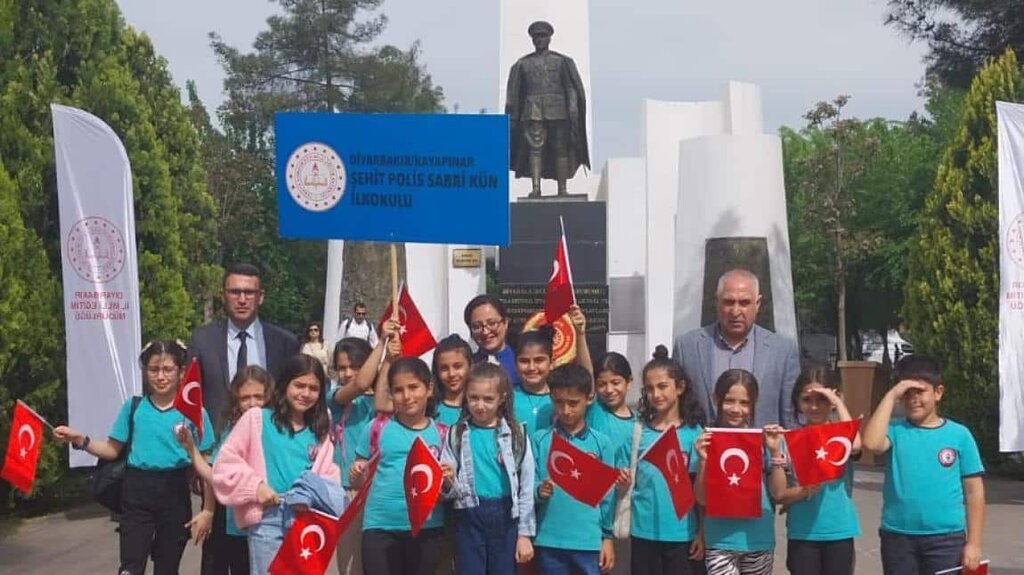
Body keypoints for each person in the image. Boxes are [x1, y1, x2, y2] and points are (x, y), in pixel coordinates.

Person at [53, 340, 215, 575]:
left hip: (175, 495)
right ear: (145, 371)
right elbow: (111, 449)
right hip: (137, 494)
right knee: (130, 567)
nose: (160, 377)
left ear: (181, 372)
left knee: (167, 568)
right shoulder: (134, 407)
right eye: (153, 369)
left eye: (168, 369)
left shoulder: (195, 412)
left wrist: (208, 510)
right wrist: (81, 440)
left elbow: (207, 467)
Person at [212, 354, 340, 574]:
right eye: (299, 385)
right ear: (284, 384)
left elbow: (329, 476)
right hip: (267, 518)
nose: (305, 393)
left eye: (313, 388)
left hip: (304, 520)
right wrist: (255, 486)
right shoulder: (257, 419)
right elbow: (225, 463)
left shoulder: (320, 429)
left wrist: (310, 496)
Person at [862, 355, 985, 575]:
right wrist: (891, 396)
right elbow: (871, 443)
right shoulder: (895, 430)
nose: (913, 400)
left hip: (946, 539)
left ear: (938, 392)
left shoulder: (959, 435)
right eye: (906, 394)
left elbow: (974, 492)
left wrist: (973, 543)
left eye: (919, 392)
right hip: (898, 537)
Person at [350, 357, 455, 575]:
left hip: (427, 528)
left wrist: (447, 481)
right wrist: (357, 473)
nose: (407, 396)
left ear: (429, 388)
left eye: (414, 387)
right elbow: (358, 480)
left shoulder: (443, 434)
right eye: (398, 390)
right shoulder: (377, 427)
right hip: (380, 527)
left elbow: (449, 491)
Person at [672, 269, 800, 429]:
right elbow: (676, 410)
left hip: (762, 451)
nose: (735, 311)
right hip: (703, 450)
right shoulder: (687, 347)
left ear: (758, 304)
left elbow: (790, 417)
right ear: (717, 302)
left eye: (744, 303)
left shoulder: (783, 350)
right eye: (728, 302)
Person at [531, 363, 628, 575]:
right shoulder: (540, 439)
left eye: (573, 403)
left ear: (589, 398)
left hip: (589, 543)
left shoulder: (602, 443)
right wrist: (539, 490)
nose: (566, 410)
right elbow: (528, 486)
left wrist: (607, 538)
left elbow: (607, 497)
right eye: (559, 402)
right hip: (549, 540)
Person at [177, 365, 274, 575]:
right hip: (234, 523)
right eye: (245, 398)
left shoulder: (277, 427)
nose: (252, 404)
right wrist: (192, 449)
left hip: (268, 524)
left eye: (259, 396)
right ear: (235, 399)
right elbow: (217, 477)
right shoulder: (230, 429)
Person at [441, 363, 537, 574]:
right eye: (474, 398)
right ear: (465, 396)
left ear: (501, 398)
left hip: (506, 516)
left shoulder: (517, 435)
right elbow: (449, 489)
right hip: (468, 515)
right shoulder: (456, 434)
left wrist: (524, 535)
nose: (480, 405)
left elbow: (527, 487)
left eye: (488, 399)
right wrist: (447, 480)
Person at [694, 369, 784, 575]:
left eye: (744, 403)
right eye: (729, 401)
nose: (736, 409)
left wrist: (775, 451)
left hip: (758, 539)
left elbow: (778, 493)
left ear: (754, 403)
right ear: (716, 399)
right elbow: (701, 498)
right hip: (719, 539)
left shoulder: (764, 439)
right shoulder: (705, 440)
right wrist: (702, 461)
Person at [773, 365, 860, 575]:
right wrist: (802, 491)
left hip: (839, 530)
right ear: (797, 401)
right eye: (807, 400)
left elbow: (856, 445)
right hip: (803, 533)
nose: (814, 407)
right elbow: (779, 493)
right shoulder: (788, 439)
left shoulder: (839, 436)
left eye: (821, 399)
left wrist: (837, 401)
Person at [190, 263, 299, 428]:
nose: (242, 300)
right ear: (223, 295)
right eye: (235, 292)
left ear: (260, 297)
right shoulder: (202, 340)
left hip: (269, 438)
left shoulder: (285, 343)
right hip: (218, 440)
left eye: (249, 293)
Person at [628, 346, 706, 575]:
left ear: (679, 387)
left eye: (663, 386)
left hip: (683, 533)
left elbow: (700, 491)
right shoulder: (638, 432)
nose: (656, 394)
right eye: (650, 389)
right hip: (643, 533)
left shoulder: (695, 434)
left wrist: (701, 532)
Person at [330, 331, 400, 575]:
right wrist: (382, 342)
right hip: (349, 490)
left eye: (355, 365)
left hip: (382, 491)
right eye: (342, 367)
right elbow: (359, 384)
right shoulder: (337, 398)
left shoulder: (389, 402)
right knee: (351, 566)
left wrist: (389, 359)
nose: (347, 373)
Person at [505, 20, 590, 197]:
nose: (540, 40)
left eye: (543, 36)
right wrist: (513, 118)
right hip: (532, 110)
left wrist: (572, 109)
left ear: (549, 38)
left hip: (558, 110)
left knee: (561, 148)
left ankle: (562, 189)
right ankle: (536, 188)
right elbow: (514, 95)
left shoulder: (562, 61)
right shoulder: (522, 64)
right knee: (535, 149)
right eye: (536, 37)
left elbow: (570, 88)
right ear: (532, 40)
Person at [464, 295, 520, 387]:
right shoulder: (467, 366)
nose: (485, 332)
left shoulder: (521, 363)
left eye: (492, 323)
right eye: (477, 326)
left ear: (505, 323)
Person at [512, 328, 556, 436]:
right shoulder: (508, 397)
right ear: (515, 364)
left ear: (551, 362)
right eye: (524, 361)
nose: (532, 367)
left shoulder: (559, 398)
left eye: (539, 360)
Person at [433, 334, 474, 426]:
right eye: (444, 368)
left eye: (457, 366)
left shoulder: (478, 407)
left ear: (470, 366)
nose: (451, 374)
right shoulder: (429, 409)